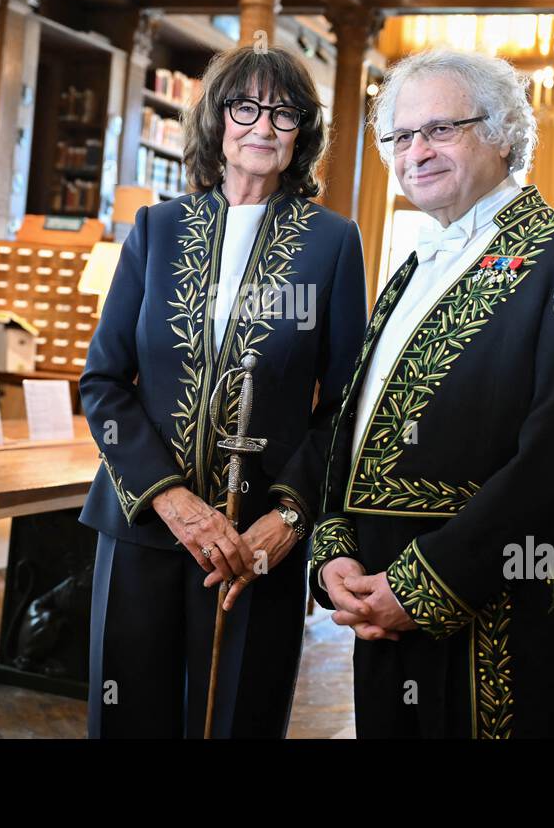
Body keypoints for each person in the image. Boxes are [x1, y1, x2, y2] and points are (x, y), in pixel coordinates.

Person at [309, 47, 554, 738]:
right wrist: (335, 547)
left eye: (440, 129)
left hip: (506, 612)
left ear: (504, 132)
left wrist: (425, 585)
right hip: (379, 604)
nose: (415, 151)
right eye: (399, 136)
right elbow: (353, 421)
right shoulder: (411, 267)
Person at [80, 45, 367, 737]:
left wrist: (290, 519)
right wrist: (174, 503)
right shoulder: (157, 229)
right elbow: (104, 382)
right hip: (144, 524)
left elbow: (345, 405)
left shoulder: (333, 243)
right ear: (217, 119)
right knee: (129, 723)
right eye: (246, 107)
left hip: (255, 546)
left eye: (285, 112)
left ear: (304, 131)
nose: (263, 126)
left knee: (238, 721)